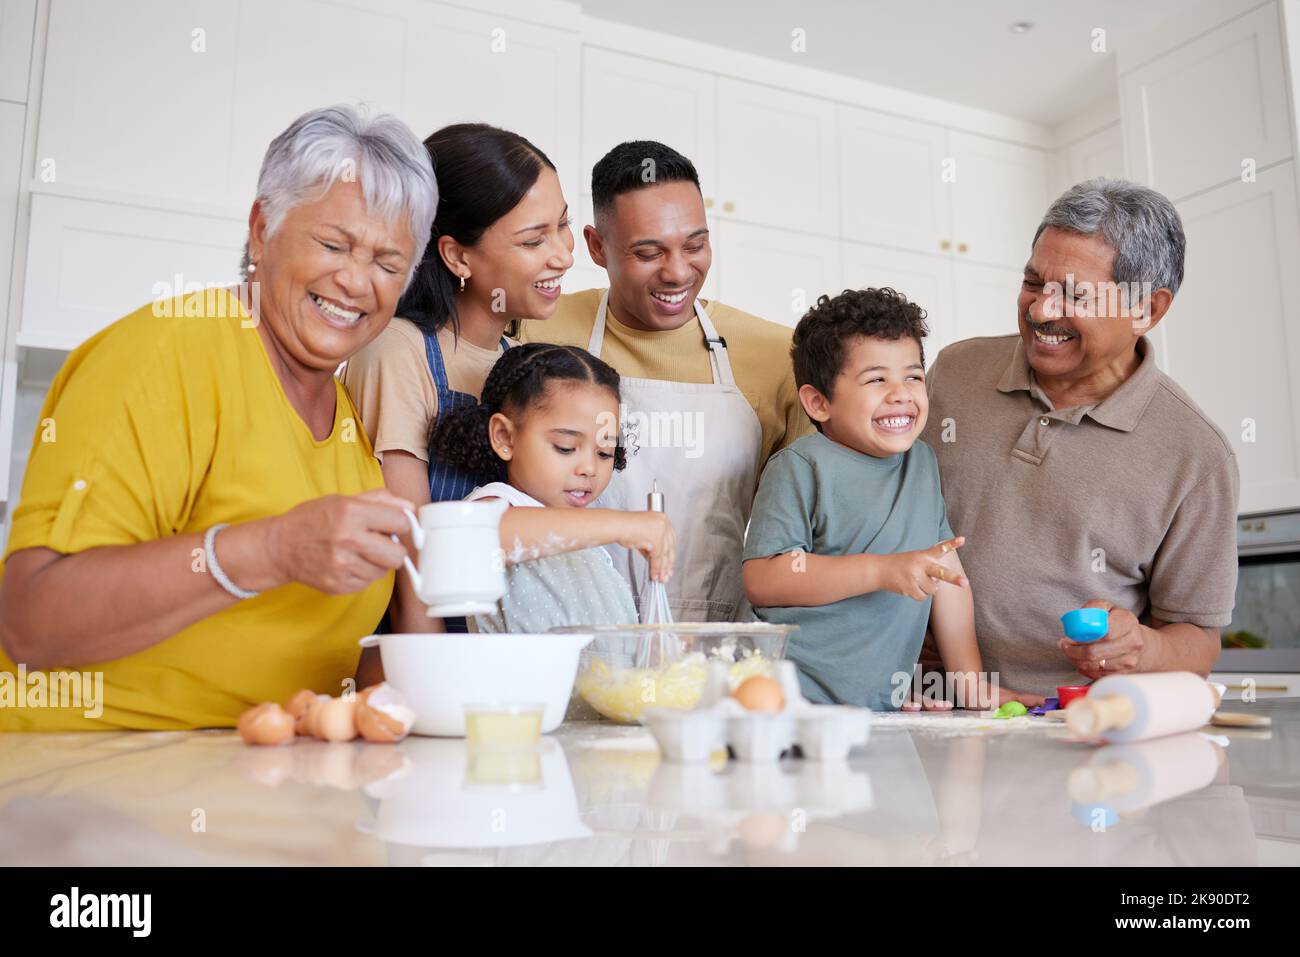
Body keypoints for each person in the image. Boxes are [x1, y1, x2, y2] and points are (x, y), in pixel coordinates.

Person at [0, 105, 437, 729]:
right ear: (262, 230)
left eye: (388, 264)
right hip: (85, 781)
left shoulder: (348, 425)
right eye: (332, 244)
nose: (355, 281)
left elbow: (324, 657)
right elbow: (31, 620)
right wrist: (271, 548)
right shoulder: (165, 355)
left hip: (259, 785)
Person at [919, 178, 1238, 695]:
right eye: (1033, 282)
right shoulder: (955, 372)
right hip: (921, 702)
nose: (1042, 310)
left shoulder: (1197, 455)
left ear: (1147, 310)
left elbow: (1198, 639)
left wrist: (1141, 647)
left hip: (1071, 731)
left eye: (1075, 294)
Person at [518, 140, 810, 623]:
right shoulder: (537, 328)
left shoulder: (778, 355)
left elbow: (807, 526)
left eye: (695, 245)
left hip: (716, 642)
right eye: (648, 253)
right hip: (570, 629)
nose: (677, 272)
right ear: (595, 246)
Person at [742, 289, 1039, 710]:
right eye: (877, 379)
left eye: (913, 376)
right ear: (819, 402)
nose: (901, 393)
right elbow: (764, 578)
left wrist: (971, 683)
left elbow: (946, 572)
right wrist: (880, 571)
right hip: (790, 697)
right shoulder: (801, 465)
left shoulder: (921, 462)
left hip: (876, 707)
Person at [343, 124, 575, 632]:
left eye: (563, 225)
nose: (563, 254)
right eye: (534, 239)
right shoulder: (397, 351)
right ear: (457, 256)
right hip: (429, 652)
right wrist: (434, 682)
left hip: (500, 651)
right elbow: (411, 553)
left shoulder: (524, 364)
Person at [428, 344, 674, 634]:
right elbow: (472, 535)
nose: (589, 468)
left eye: (605, 452)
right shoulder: (499, 504)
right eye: (565, 447)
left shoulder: (593, 545)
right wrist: (623, 525)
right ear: (504, 436)